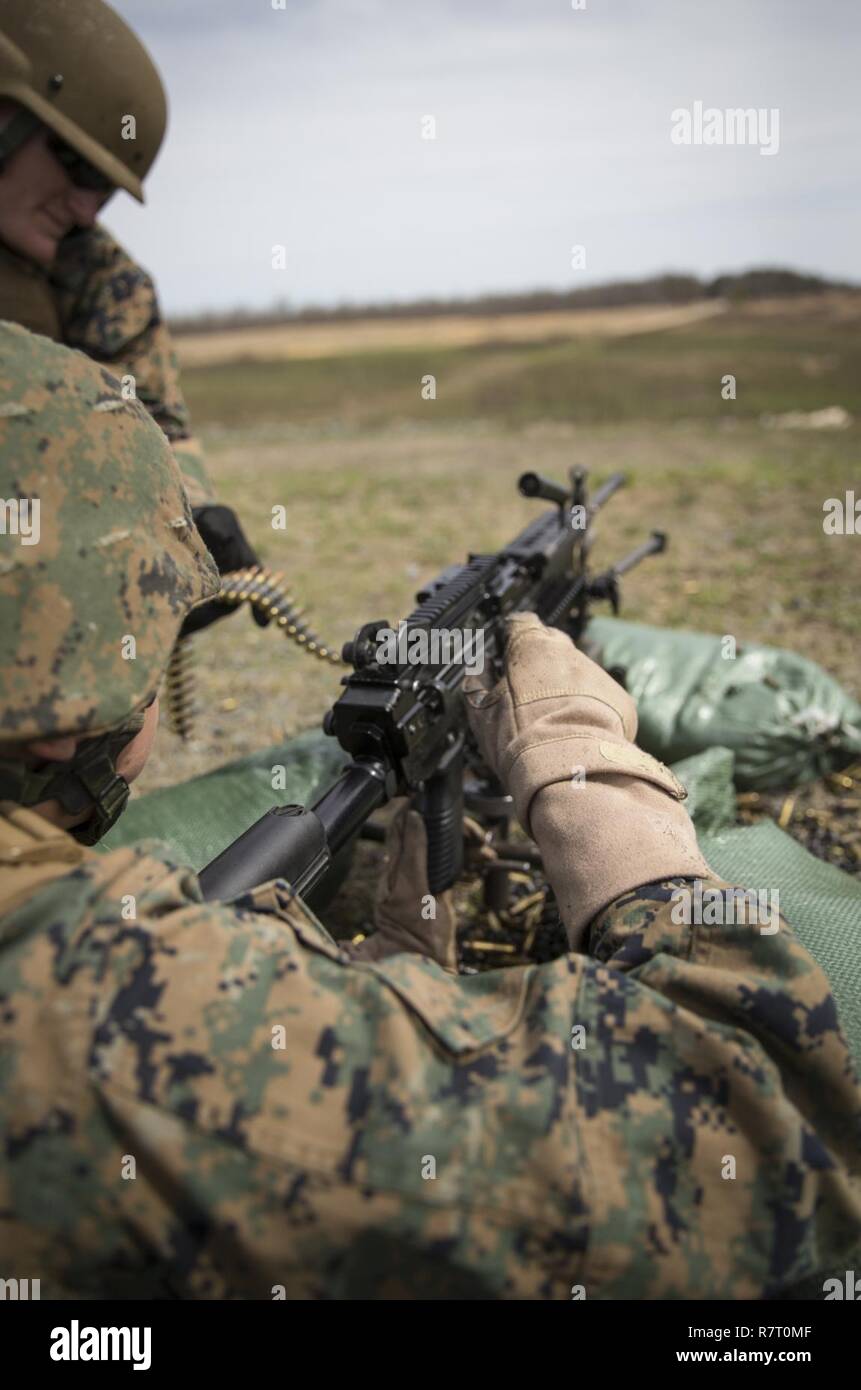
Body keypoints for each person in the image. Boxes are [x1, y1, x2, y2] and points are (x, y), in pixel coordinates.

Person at [1, 324, 859, 1300]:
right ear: (64, 710)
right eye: (153, 634)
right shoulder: (88, 1010)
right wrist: (586, 766)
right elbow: (766, 1121)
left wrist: (360, 991)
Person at [0, 0, 263, 617]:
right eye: (79, 167)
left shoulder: (99, 281)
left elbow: (155, 427)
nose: (87, 208)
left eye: (106, 189)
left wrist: (190, 517)